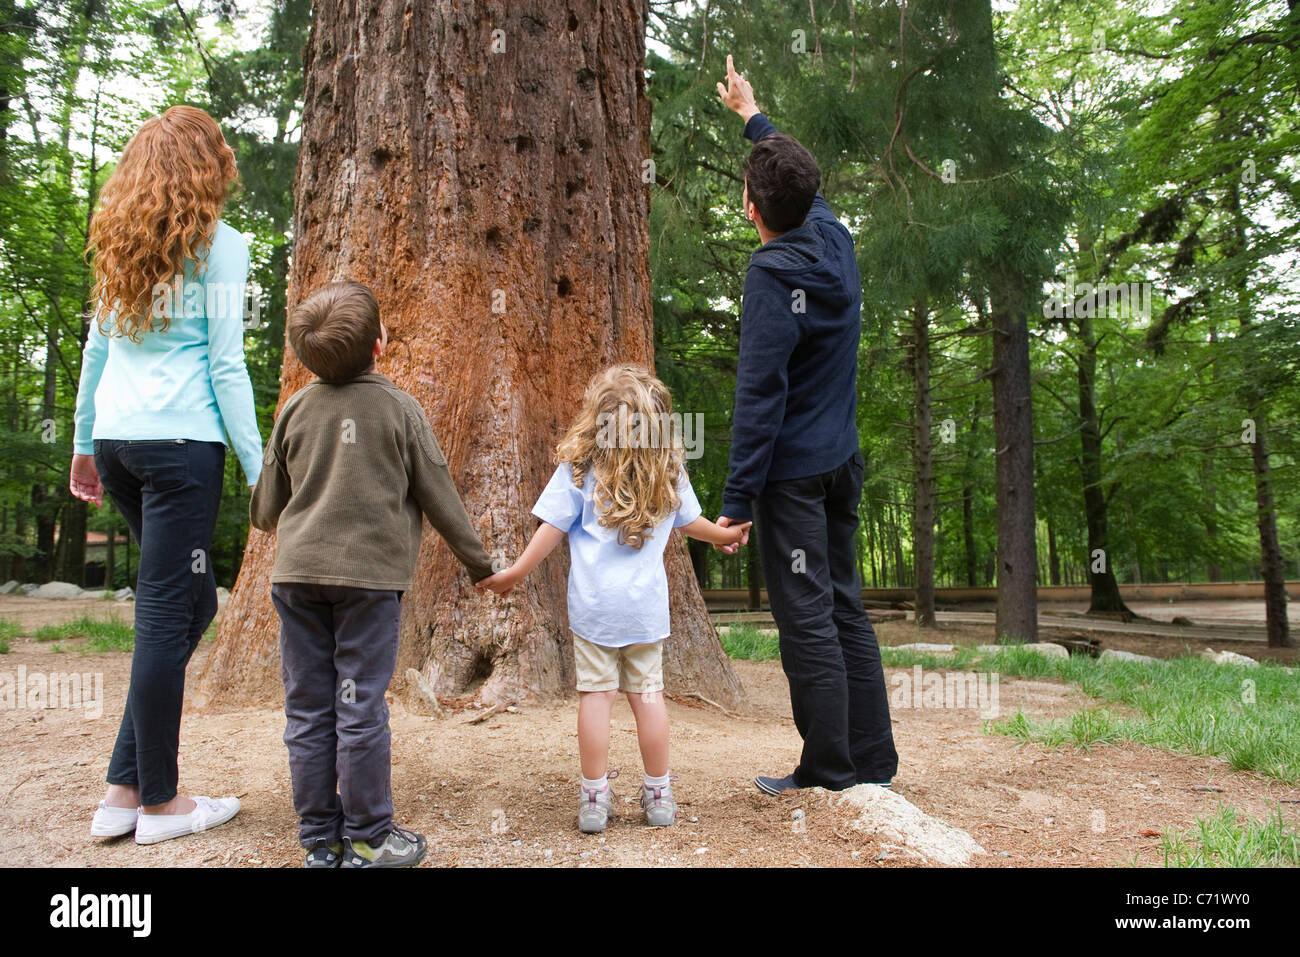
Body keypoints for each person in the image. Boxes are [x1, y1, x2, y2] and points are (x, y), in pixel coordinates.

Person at [250, 281, 495, 868]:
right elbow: (441, 497)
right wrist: (481, 567)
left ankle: (318, 842)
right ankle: (368, 837)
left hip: (297, 579)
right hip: (366, 585)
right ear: (380, 344)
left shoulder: (294, 410)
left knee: (308, 708)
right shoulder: (399, 409)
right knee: (358, 703)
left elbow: (264, 511)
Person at [73, 105, 261, 845]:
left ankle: (122, 791)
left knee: (188, 606)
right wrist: (260, 466)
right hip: (181, 447)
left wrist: (84, 443)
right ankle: (162, 803)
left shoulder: (118, 237)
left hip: (120, 443)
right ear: (210, 166)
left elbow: (96, 350)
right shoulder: (221, 246)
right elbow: (224, 364)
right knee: (165, 615)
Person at [713, 56, 899, 795]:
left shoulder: (771, 275)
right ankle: (872, 761)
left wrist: (734, 501)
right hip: (841, 462)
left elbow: (759, 395)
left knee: (809, 620)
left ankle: (827, 769)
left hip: (791, 477)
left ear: (753, 210)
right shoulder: (835, 239)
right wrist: (751, 115)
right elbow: (796, 178)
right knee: (845, 605)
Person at [477, 365, 750, 834]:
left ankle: (593, 799)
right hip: (645, 613)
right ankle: (659, 793)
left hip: (595, 611)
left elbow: (552, 528)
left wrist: (517, 572)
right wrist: (721, 536)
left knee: (596, 698)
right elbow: (691, 524)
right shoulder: (667, 471)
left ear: (596, 418)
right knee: (648, 697)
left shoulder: (579, 469)